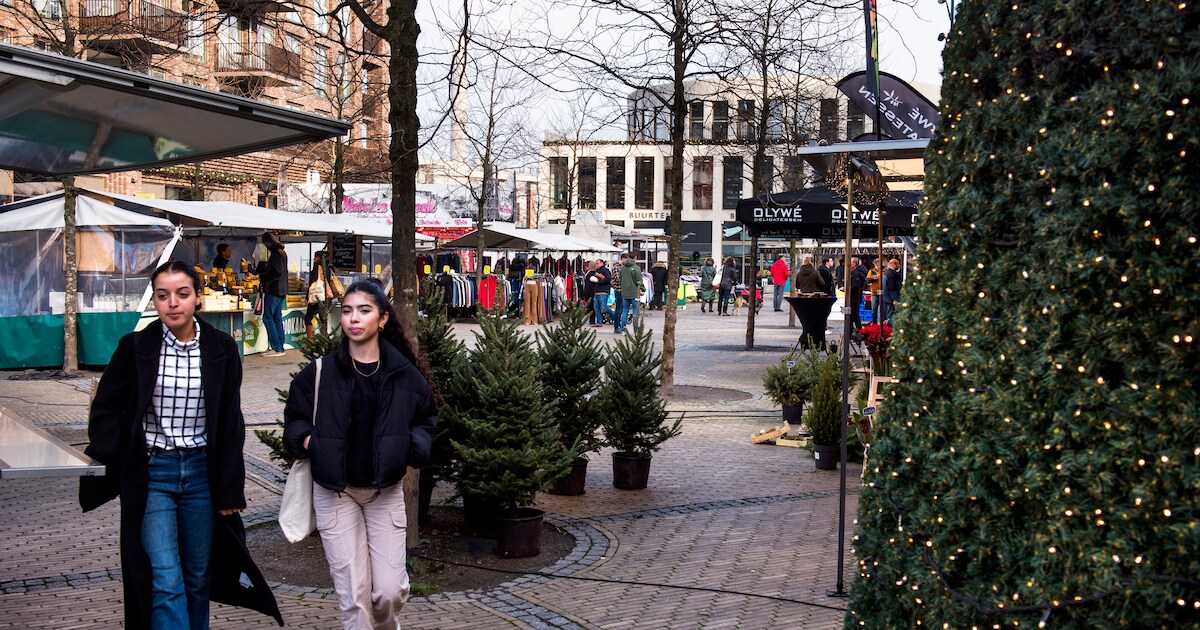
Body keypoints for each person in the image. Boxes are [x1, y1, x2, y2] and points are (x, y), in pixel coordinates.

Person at [81, 260, 281, 629]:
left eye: (182, 294)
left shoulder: (222, 349)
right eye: (163, 295)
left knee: (197, 579)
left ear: (197, 299)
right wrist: (118, 454)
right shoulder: (136, 346)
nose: (172, 303)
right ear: (155, 301)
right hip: (153, 475)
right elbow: (106, 408)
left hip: (202, 476)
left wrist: (230, 489)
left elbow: (230, 424)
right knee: (164, 578)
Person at [283, 280, 437, 630]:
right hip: (335, 493)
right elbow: (294, 420)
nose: (353, 318)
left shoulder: (404, 374)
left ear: (382, 319)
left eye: (364, 311)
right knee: (354, 596)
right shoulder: (320, 372)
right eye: (348, 310)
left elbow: (425, 420)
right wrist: (310, 442)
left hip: (385, 493)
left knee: (387, 592)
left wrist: (411, 448)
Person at [259, 232, 288, 357]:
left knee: (268, 318)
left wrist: (264, 275)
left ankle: (276, 348)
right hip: (282, 290)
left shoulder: (276, 254)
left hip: (274, 289)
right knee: (277, 318)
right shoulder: (282, 252)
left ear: (267, 242)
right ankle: (280, 346)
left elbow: (277, 271)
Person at [614, 252, 644, 333]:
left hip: (625, 293)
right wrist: (643, 289)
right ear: (635, 258)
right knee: (635, 311)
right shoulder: (636, 268)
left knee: (625, 311)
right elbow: (639, 280)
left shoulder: (623, 268)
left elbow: (620, 279)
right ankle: (635, 330)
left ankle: (623, 329)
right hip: (634, 293)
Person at [306, 250, 330, 343]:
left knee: (308, 318)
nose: (313, 259)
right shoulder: (328, 268)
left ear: (318, 258)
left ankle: (310, 340)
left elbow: (313, 283)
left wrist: (307, 296)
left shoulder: (316, 267)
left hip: (316, 297)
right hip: (324, 297)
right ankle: (324, 340)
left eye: (315, 257)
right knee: (323, 319)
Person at [588, 259, 614, 328]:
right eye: (596, 264)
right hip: (597, 291)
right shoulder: (596, 271)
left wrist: (599, 281)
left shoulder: (605, 271)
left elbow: (608, 279)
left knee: (604, 307)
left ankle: (615, 316)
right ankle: (599, 322)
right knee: (596, 307)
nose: (596, 265)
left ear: (602, 263)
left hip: (603, 291)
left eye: (598, 263)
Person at [848, 256, 867, 334]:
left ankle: (859, 330)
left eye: (851, 263)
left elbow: (856, 286)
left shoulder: (856, 274)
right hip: (855, 297)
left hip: (854, 297)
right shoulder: (855, 272)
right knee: (853, 315)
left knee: (854, 315)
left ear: (854, 264)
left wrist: (848, 290)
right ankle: (854, 330)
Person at [881, 258, 903, 323]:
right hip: (891, 297)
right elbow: (892, 288)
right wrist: (895, 299)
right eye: (898, 264)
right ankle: (889, 327)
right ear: (894, 264)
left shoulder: (887, 273)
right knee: (891, 314)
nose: (899, 266)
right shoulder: (891, 275)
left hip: (887, 297)